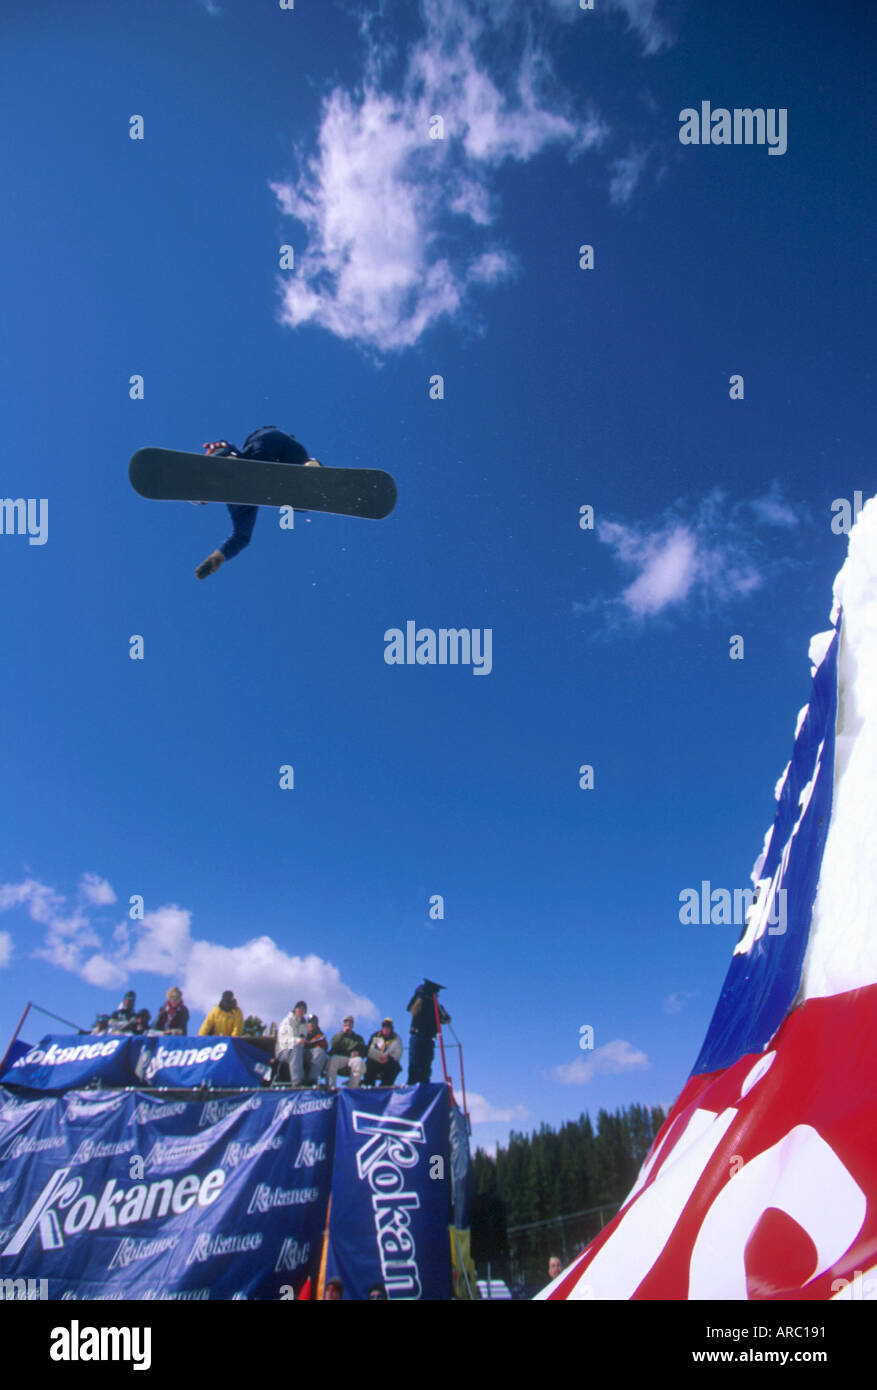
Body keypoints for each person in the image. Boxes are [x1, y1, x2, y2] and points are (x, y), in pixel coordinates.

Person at [195, 427, 322, 580]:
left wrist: (223, 450)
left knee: (244, 467)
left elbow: (241, 537)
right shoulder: (241, 502)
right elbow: (241, 537)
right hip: (292, 453)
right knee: (296, 502)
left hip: (262, 444)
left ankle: (227, 463)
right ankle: (310, 469)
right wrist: (217, 558)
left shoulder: (237, 502)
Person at [406, 978, 450, 1084]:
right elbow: (411, 1010)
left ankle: (424, 1084)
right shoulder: (419, 1000)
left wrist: (437, 1006)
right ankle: (411, 1085)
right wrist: (421, 997)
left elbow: (446, 1019)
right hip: (417, 1035)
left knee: (426, 1064)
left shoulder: (437, 1006)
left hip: (429, 1038)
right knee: (414, 1063)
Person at [326, 1016, 367, 1090]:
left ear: (353, 1025)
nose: (348, 1025)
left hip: (352, 1059)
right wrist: (343, 1033)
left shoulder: (358, 1038)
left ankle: (352, 1088)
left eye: (350, 1023)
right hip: (341, 1059)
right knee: (333, 1059)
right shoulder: (338, 1036)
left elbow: (364, 1051)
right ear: (343, 1025)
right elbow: (333, 1045)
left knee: (359, 1061)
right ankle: (331, 1086)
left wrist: (358, 1054)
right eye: (346, 1023)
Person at [276, 1000, 310, 1084]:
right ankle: (297, 1082)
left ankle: (311, 1080)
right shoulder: (287, 1021)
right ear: (295, 1009)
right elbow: (283, 1040)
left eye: (303, 1010)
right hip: (284, 1051)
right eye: (299, 1009)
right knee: (296, 1048)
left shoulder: (304, 1025)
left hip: (300, 1050)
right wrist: (297, 1041)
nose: (301, 1011)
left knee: (316, 1053)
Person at [364, 1018, 403, 1087]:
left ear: (391, 1028)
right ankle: (368, 1084)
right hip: (375, 1061)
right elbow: (368, 1049)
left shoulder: (396, 1038)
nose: (386, 1028)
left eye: (388, 1026)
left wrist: (389, 1058)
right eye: (384, 1026)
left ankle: (385, 1085)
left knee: (396, 1066)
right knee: (369, 1063)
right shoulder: (375, 1036)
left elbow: (398, 1053)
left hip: (388, 1062)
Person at [302, 1014, 329, 1086]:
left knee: (319, 1052)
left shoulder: (321, 1036)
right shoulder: (301, 1033)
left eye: (313, 1022)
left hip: (313, 1057)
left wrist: (309, 1043)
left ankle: (311, 1081)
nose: (311, 1024)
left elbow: (324, 1047)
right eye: (309, 1022)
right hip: (300, 1055)